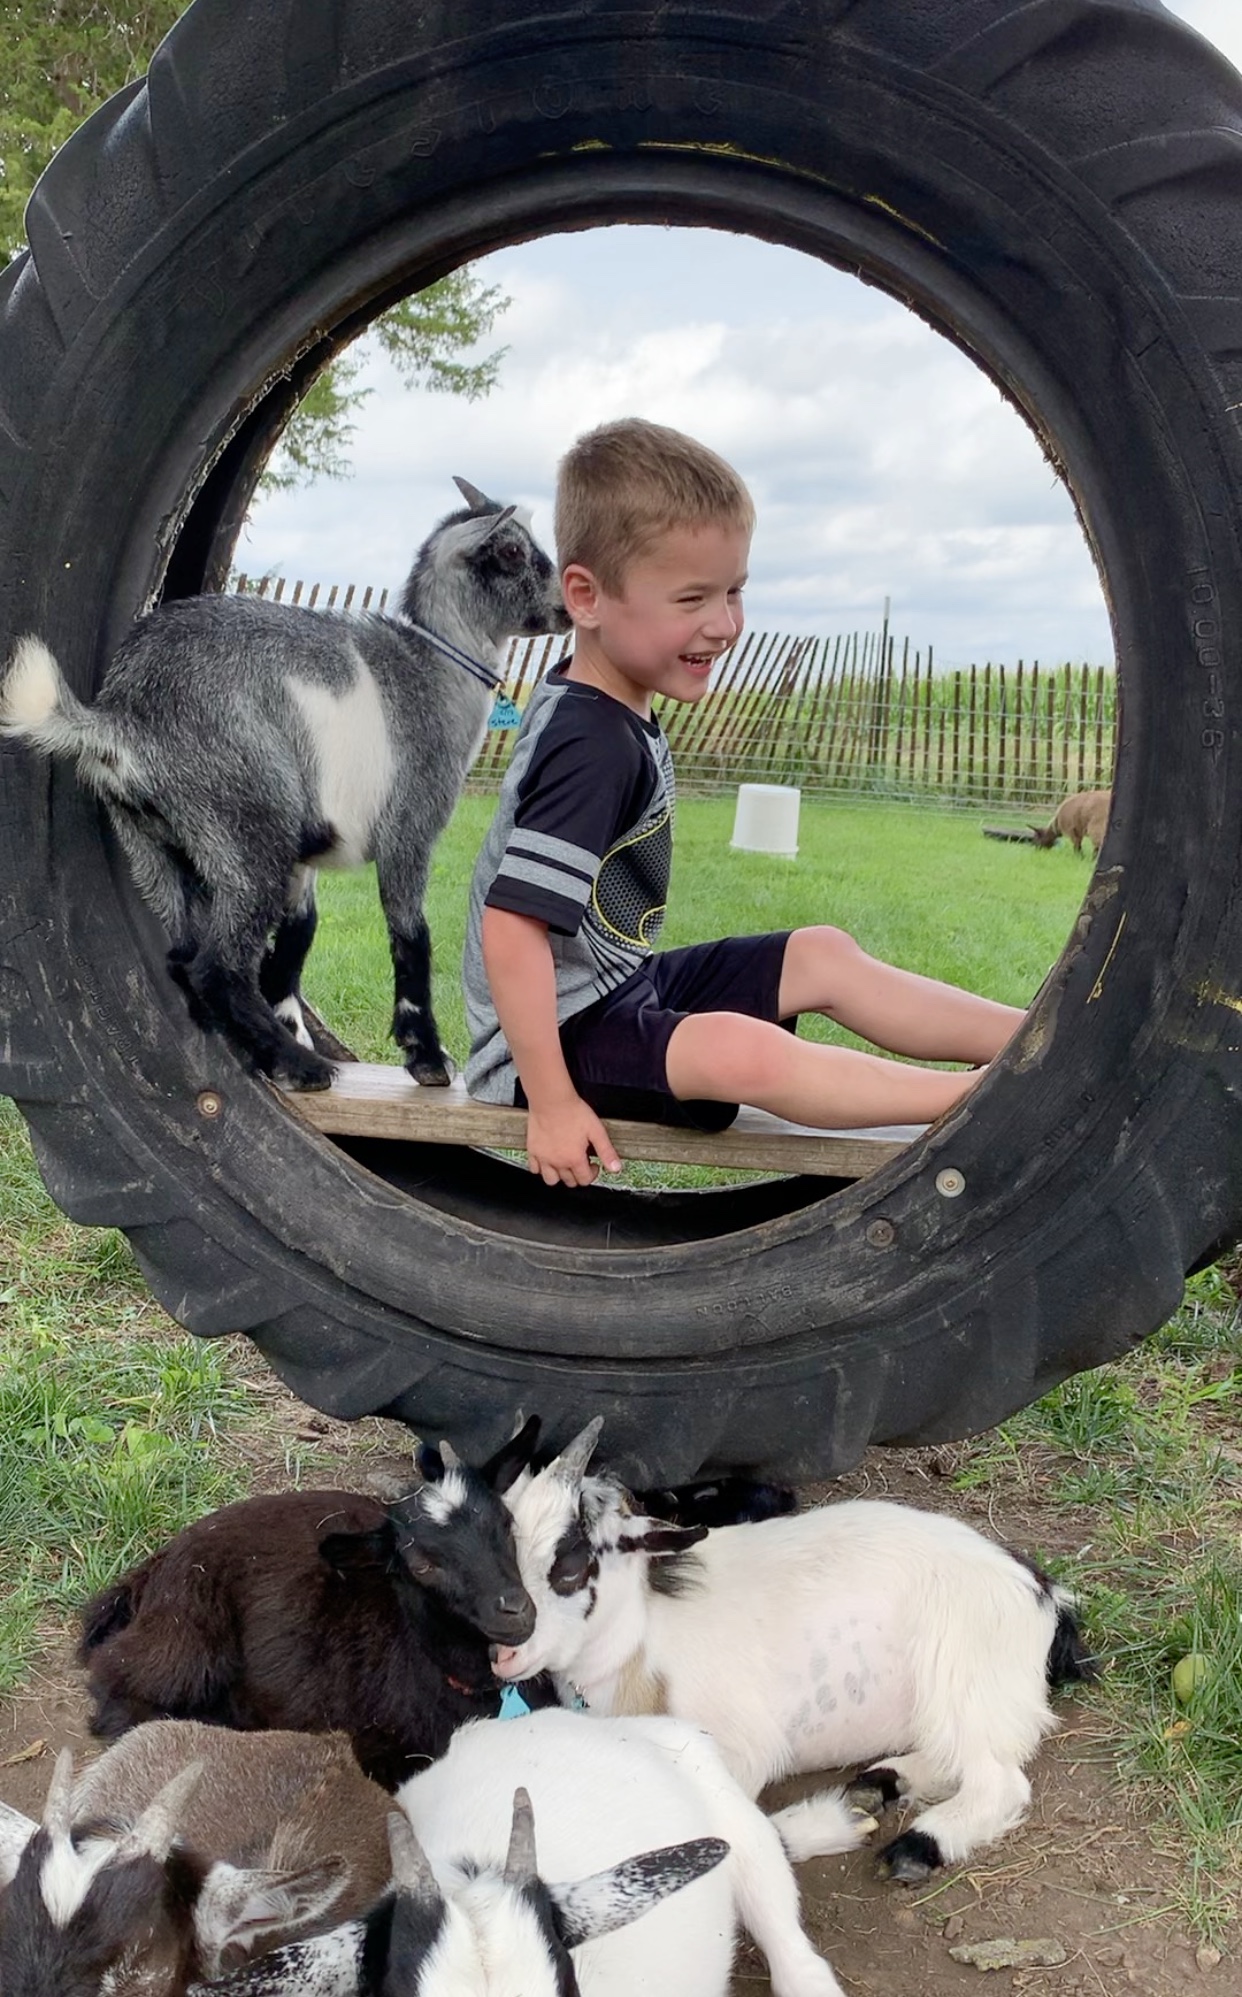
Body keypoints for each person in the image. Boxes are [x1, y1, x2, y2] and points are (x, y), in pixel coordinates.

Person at [463, 418, 1024, 1188]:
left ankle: (1039, 1037)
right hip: (553, 1041)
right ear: (586, 596)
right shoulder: (591, 741)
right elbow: (512, 926)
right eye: (693, 597)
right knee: (738, 1050)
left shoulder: (613, 701)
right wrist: (553, 1102)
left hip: (617, 986)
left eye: (734, 591)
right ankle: (978, 1098)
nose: (724, 625)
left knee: (819, 952)